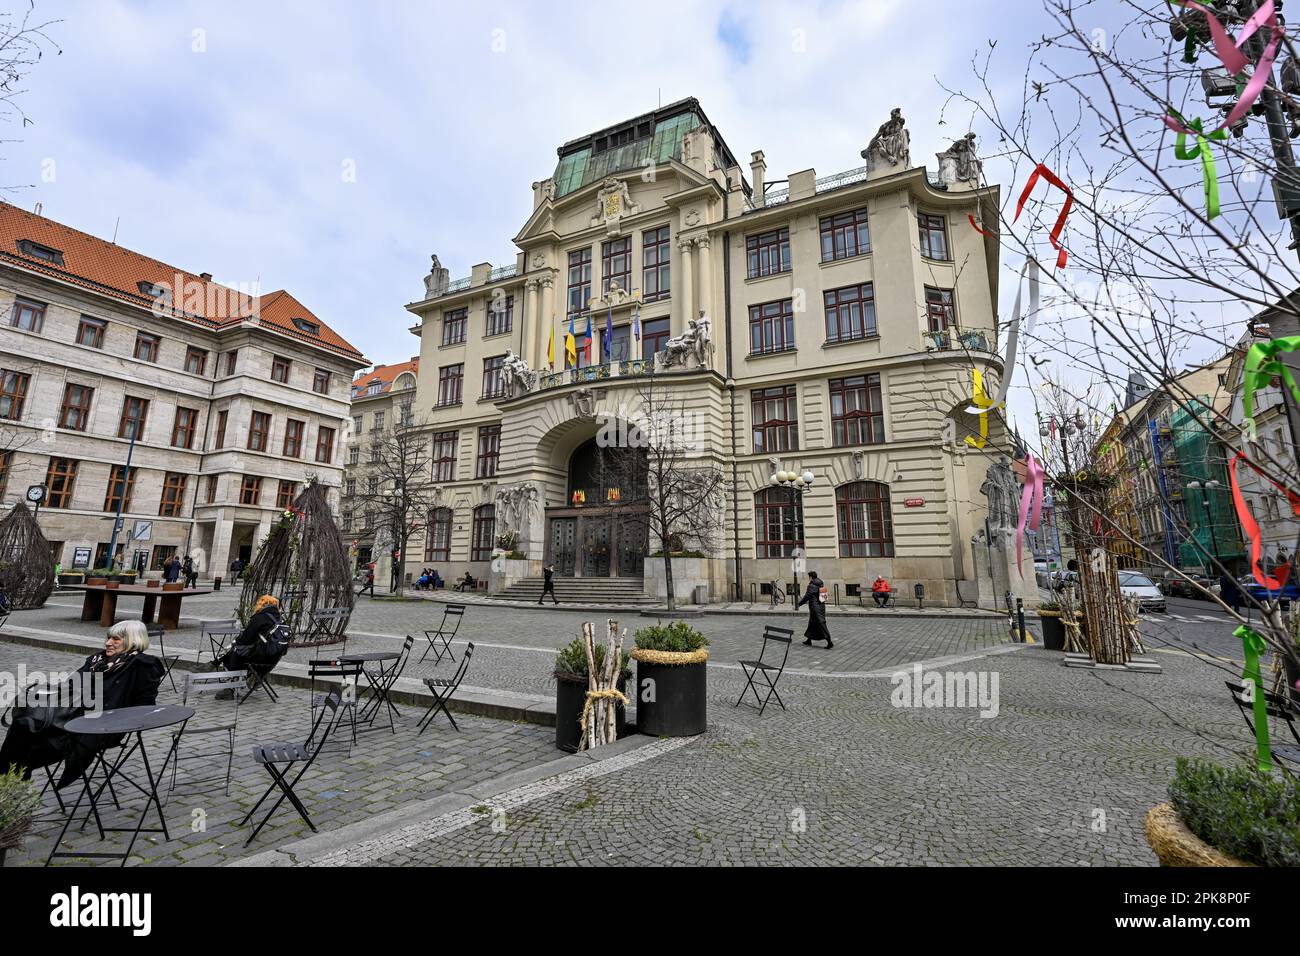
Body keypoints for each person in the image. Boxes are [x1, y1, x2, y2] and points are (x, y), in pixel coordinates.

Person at [0, 621, 164, 789]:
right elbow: (70, 685)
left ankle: (12, 784)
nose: (108, 643)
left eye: (116, 639)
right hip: (70, 715)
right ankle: (11, 783)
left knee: (31, 743)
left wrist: (113, 718)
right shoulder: (97, 660)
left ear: (133, 640)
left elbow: (145, 707)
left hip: (100, 727)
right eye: (108, 638)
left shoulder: (143, 666)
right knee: (23, 724)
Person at [208, 595, 287, 686]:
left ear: (261, 605)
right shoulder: (280, 620)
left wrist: (238, 640)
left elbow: (244, 640)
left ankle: (228, 685)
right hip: (270, 661)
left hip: (256, 660)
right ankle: (216, 664)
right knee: (236, 648)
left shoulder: (260, 618)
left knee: (234, 651)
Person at [796, 570, 833, 649]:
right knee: (812, 623)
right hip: (821, 606)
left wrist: (799, 604)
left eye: (809, 577)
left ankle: (829, 641)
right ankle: (809, 640)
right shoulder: (821, 583)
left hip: (815, 608)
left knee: (821, 624)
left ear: (811, 577)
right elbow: (824, 597)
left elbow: (807, 596)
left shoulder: (812, 585)